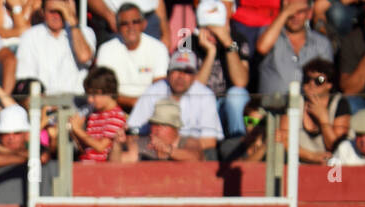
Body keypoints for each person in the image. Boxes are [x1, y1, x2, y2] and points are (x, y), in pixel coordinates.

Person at [126, 50, 223, 152]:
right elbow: (134, 131)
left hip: (191, 151)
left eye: (187, 72)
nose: (181, 76)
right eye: (177, 70)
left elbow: (210, 142)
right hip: (154, 148)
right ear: (168, 73)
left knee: (210, 153)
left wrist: (172, 149)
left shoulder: (205, 95)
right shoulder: (153, 91)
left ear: (194, 76)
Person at [192, 2, 252, 140]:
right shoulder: (189, 43)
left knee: (237, 94)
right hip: (201, 107)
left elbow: (241, 82)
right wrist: (211, 53)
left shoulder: (237, 39)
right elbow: (193, 89)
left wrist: (228, 44)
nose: (214, 33)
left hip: (227, 106)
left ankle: (236, 142)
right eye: (208, 28)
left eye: (217, 28)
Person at [94, 3, 166, 112]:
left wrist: (140, 103)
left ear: (144, 24)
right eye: (124, 23)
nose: (130, 27)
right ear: (117, 27)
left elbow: (159, 88)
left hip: (150, 108)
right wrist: (132, 102)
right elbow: (104, 90)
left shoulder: (158, 48)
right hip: (114, 107)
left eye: (135, 22)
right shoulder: (106, 49)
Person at [14, 0, 95, 94]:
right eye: (52, 12)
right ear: (42, 12)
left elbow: (84, 57)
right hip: (43, 102)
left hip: (78, 102)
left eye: (61, 12)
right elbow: (25, 78)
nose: (56, 16)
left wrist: (72, 22)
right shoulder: (30, 36)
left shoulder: (85, 32)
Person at [278, 58, 351, 162]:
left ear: (329, 84)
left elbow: (339, 148)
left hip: (331, 166)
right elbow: (284, 140)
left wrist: (323, 120)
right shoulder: (294, 102)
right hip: (298, 164)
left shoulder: (339, 104)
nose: (311, 84)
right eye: (307, 79)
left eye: (319, 80)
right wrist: (313, 156)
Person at [258, 0, 334, 95]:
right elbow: (262, 48)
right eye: (291, 10)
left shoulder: (322, 43)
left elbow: (326, 82)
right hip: (271, 107)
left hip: (308, 106)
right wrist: (285, 12)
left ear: (309, 13)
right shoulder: (270, 33)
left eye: (300, 11)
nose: (295, 16)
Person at [69, 64, 125, 161]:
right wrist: (74, 132)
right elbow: (87, 149)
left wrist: (78, 129)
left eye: (94, 95)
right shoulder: (94, 114)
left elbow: (100, 147)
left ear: (107, 92)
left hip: (101, 171)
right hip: (85, 165)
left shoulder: (116, 116)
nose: (90, 100)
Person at [118, 97, 202, 159]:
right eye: (155, 124)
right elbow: (117, 162)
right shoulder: (142, 143)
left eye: (163, 125)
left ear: (175, 128)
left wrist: (167, 149)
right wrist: (116, 143)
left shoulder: (188, 142)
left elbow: (195, 157)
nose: (157, 128)